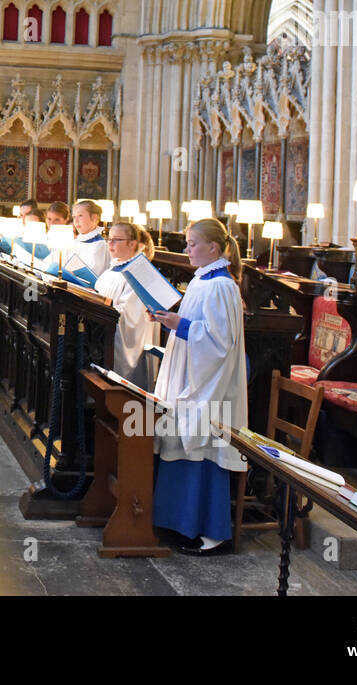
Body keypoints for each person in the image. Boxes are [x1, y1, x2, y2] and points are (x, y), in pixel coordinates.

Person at [148, 217, 248, 556]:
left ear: (213, 248)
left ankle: (211, 533)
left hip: (209, 387)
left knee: (202, 448)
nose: (186, 250)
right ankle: (180, 525)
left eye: (191, 244)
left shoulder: (221, 285)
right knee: (182, 442)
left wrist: (182, 325)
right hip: (191, 377)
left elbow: (219, 344)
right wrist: (170, 320)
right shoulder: (203, 281)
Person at [93, 221, 157, 387]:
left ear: (132, 243)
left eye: (116, 240)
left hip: (125, 343)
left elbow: (131, 317)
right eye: (109, 239)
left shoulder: (139, 272)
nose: (110, 244)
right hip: (101, 333)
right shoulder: (114, 269)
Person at [70, 199, 110, 277]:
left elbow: (95, 273)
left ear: (94, 218)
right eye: (74, 217)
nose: (76, 221)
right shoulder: (76, 242)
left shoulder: (100, 244)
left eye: (80, 215)